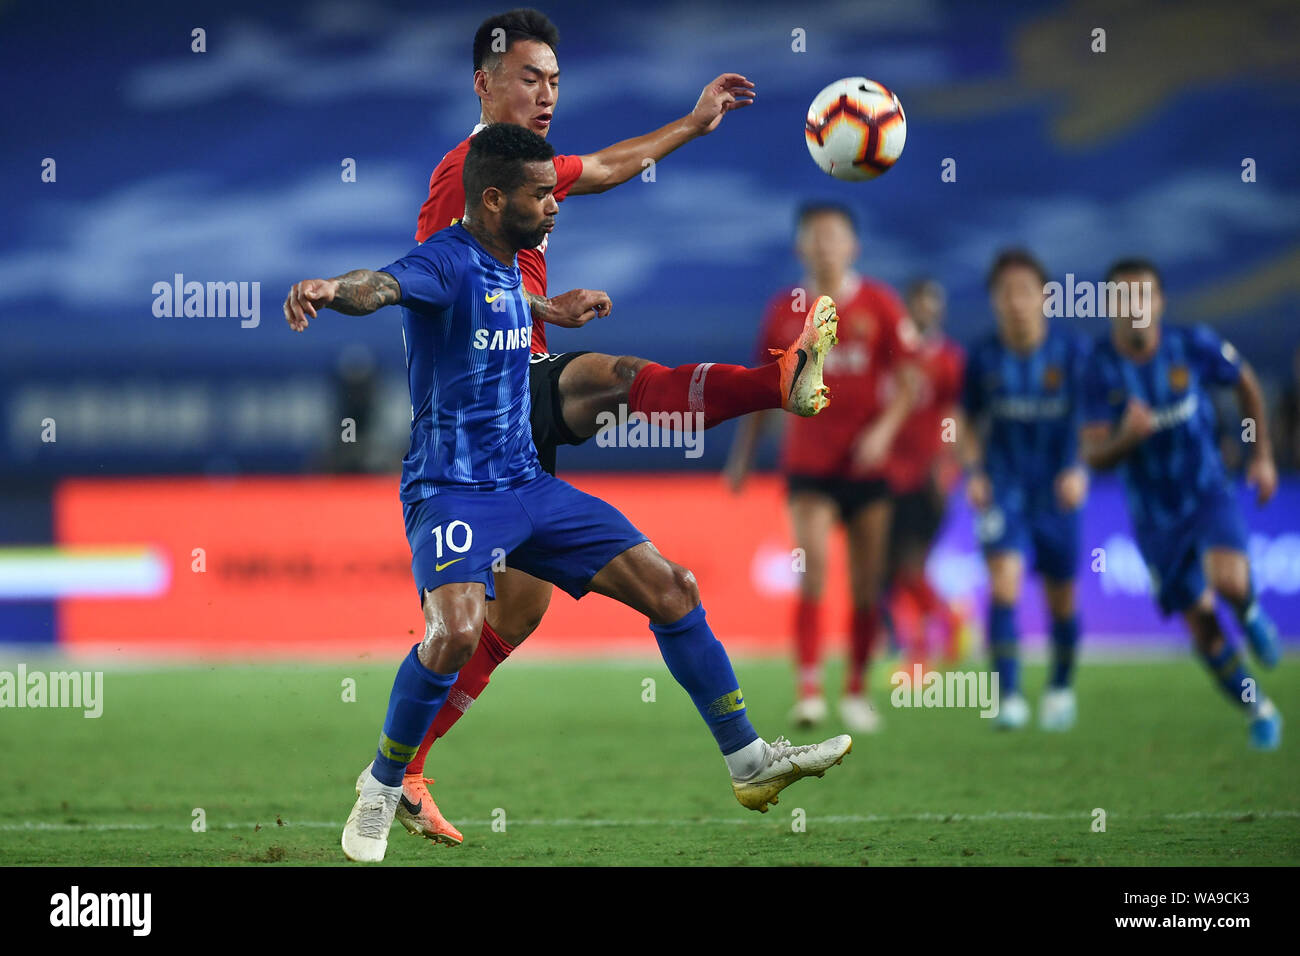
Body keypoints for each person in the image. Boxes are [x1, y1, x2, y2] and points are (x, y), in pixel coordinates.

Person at [284, 123, 853, 863]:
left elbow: (503, 308)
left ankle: (748, 763)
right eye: (541, 195)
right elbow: (384, 285)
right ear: (492, 199)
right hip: (451, 490)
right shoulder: (445, 261)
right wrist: (334, 291)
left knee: (673, 587)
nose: (556, 207)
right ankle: (382, 786)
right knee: (455, 631)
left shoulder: (508, 267)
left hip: (527, 482)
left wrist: (549, 312)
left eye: (555, 191)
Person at [385, 9, 838, 844]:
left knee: (515, 615)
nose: (548, 93)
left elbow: (603, 167)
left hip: (521, 428)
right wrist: (544, 307)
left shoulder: (531, 166)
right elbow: (432, 283)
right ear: (484, 82)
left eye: (556, 80)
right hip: (489, 395)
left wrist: (695, 126)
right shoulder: (462, 175)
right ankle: (778, 380)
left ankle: (405, 768)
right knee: (611, 380)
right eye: (530, 78)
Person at [726, 202, 917, 733]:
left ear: (853, 246)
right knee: (812, 574)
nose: (826, 244)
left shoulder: (880, 304)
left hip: (867, 466)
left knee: (866, 585)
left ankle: (856, 690)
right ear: (801, 247)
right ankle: (808, 690)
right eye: (816, 236)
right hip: (808, 464)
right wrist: (742, 458)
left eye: (836, 236)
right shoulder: (786, 310)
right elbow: (764, 385)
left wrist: (883, 433)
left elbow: (910, 385)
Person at [1080, 257, 1282, 750]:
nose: (1134, 308)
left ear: (1159, 302)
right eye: (1123, 299)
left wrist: (1262, 456)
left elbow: (1245, 382)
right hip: (1154, 518)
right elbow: (1093, 455)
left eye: (1143, 296)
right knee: (1204, 630)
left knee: (1228, 580)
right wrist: (1126, 438)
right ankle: (1260, 708)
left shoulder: (1193, 345)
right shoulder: (1097, 369)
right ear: (1110, 308)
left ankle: (1251, 610)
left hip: (1207, 490)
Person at [959, 249, 1088, 731]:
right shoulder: (983, 357)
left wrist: (1078, 468)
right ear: (994, 300)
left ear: (1045, 297)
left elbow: (1092, 419)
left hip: (1058, 490)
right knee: (1004, 583)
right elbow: (964, 422)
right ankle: (1009, 695)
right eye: (1006, 292)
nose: (1016, 301)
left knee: (1062, 599)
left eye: (1025, 291)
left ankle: (1059, 687)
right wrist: (973, 470)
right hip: (1005, 488)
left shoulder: (1073, 354)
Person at [882, 278, 965, 667]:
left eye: (933, 302)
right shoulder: (890, 356)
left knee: (910, 564)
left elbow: (954, 417)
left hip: (924, 477)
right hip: (884, 477)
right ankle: (945, 623)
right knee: (888, 569)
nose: (926, 309)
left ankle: (923, 645)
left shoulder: (948, 359)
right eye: (920, 301)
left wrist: (947, 465)